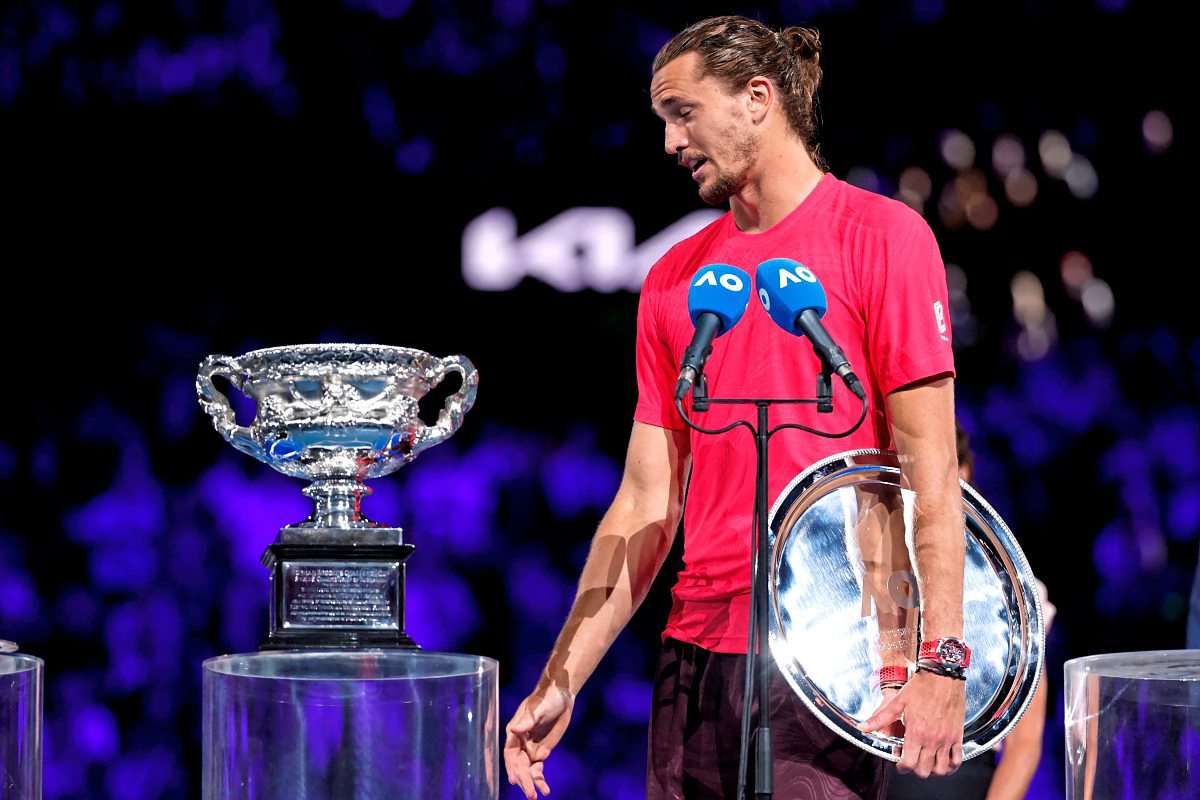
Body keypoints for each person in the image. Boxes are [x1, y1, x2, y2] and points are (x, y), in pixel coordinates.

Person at [504, 15, 966, 799]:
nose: (670, 142)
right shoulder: (674, 280)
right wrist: (562, 676)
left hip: (838, 655)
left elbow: (931, 476)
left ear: (758, 98)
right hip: (695, 666)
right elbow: (644, 501)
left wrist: (942, 660)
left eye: (682, 112)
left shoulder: (885, 237)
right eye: (663, 120)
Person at [887, 424, 1056, 800]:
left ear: (963, 472)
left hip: (964, 780)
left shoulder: (1012, 593)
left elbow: (1024, 744)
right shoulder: (863, 580)